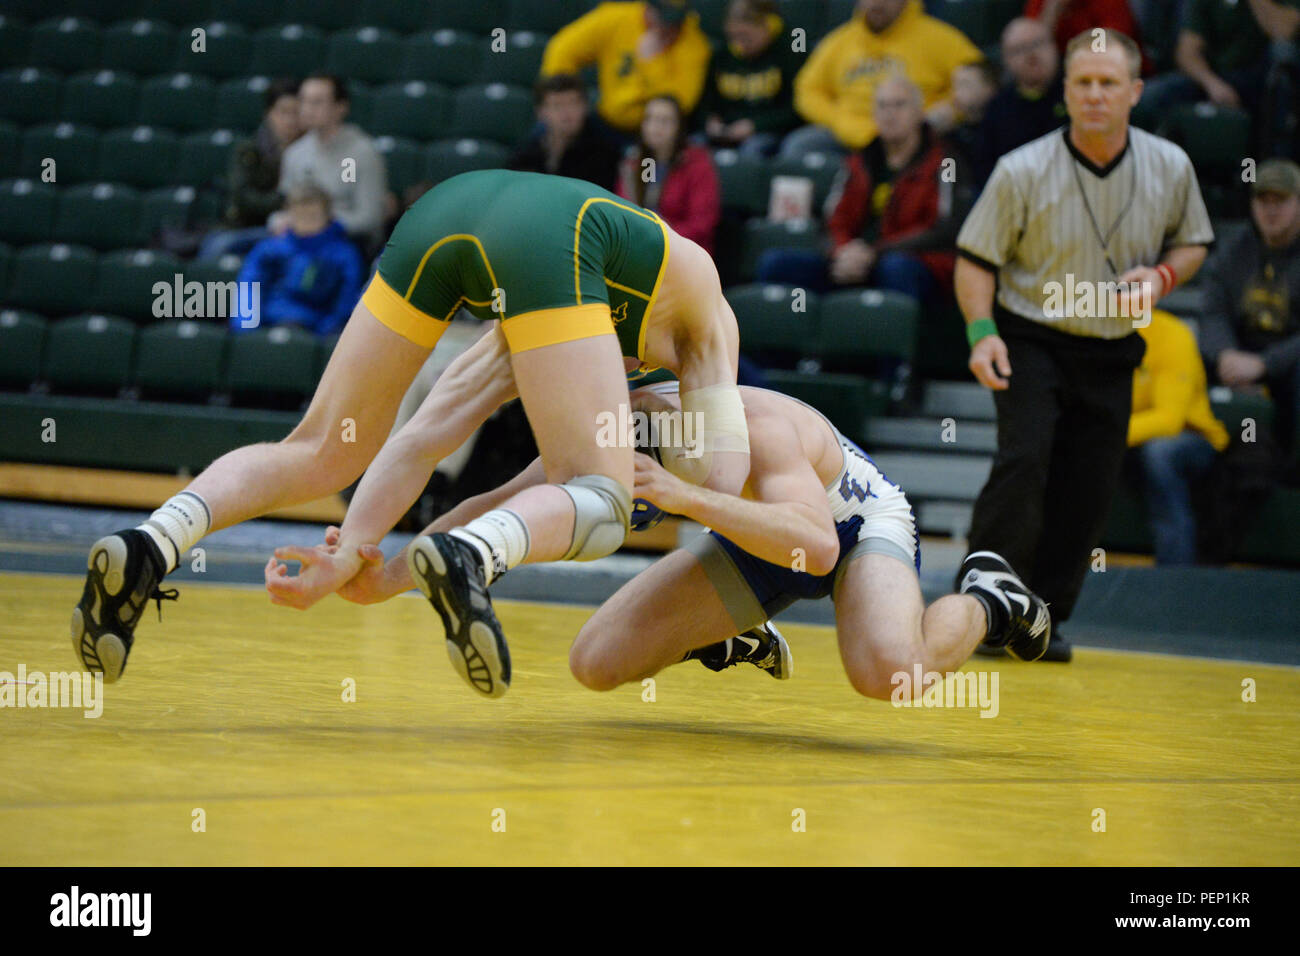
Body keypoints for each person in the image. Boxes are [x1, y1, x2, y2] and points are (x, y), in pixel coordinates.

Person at [71, 170, 751, 698]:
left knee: (323, 447)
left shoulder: (554, 313)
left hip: (448, 211)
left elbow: (424, 438)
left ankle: (154, 540)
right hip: (553, 233)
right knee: (600, 503)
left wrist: (355, 553)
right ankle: (474, 558)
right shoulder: (704, 316)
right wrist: (655, 476)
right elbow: (722, 492)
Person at [265, 381, 1053, 698]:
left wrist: (680, 494)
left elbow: (813, 548)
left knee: (890, 676)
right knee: (595, 665)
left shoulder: (756, 429)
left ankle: (990, 596)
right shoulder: (610, 425)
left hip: (848, 524)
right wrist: (375, 578)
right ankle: (733, 633)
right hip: (751, 537)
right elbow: (495, 503)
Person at [953, 29, 1213, 661]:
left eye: (1108, 83)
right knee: (1025, 461)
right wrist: (981, 333)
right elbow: (975, 259)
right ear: (1065, 92)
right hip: (1031, 334)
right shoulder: (1022, 168)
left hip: (1111, 344)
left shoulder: (1170, 165)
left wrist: (1162, 276)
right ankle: (985, 607)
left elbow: (1194, 241)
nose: (1096, 95)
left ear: (1135, 92)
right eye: (1084, 83)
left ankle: (1042, 619)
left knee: (1089, 485)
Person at [757, 73, 971, 309]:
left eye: (899, 105)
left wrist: (874, 253)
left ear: (920, 113)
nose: (890, 113)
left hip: (914, 263)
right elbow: (833, 222)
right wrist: (843, 253)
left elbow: (945, 229)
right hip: (855, 261)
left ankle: (901, 344)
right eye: (882, 106)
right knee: (776, 264)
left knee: (895, 268)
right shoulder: (858, 162)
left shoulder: (945, 162)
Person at [1198, 158, 1300, 478]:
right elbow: (1212, 311)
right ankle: (1202, 457)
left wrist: (1266, 364)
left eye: (1280, 201)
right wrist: (1226, 354)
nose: (1270, 210)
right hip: (1238, 355)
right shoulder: (1233, 249)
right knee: (1187, 359)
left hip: (1288, 364)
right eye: (1262, 200)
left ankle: (1291, 476)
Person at [780, 0, 982, 160]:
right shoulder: (839, 41)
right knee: (800, 145)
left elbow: (980, 80)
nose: (877, 4)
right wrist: (839, 120)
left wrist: (946, 111)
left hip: (913, 138)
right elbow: (807, 89)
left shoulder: (939, 38)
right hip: (851, 137)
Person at [1127, 309, 1229, 564]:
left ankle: (1175, 573)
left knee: (1160, 452)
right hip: (1129, 439)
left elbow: (1169, 420)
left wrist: (1107, 435)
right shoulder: (1091, 332)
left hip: (1193, 439)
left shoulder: (1171, 334)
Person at [1140, 0, 1299, 157]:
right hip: (1213, 77)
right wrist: (1213, 84)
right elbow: (1187, 51)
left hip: (1263, 81)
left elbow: (1283, 31)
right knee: (1146, 98)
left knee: (1282, 63)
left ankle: (1274, 168)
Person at [540, 0, 712, 139]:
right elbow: (562, 50)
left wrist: (651, 62)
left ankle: (648, 180)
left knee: (648, 173)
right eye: (663, 19)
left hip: (650, 136)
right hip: (604, 123)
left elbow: (680, 102)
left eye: (675, 22)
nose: (669, 28)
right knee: (549, 140)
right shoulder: (618, 18)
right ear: (649, 8)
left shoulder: (695, 44)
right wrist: (565, 101)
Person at [230, 185, 365, 338]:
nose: (305, 223)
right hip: (268, 325)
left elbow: (346, 302)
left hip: (315, 332)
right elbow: (249, 286)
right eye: (299, 216)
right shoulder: (270, 249)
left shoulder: (344, 255)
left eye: (312, 216)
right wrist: (245, 330)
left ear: (328, 216)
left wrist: (325, 333)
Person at [278, 74, 389, 255]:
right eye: (304, 101)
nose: (307, 109)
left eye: (317, 102)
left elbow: (370, 218)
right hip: (299, 240)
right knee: (226, 244)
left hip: (346, 242)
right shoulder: (295, 153)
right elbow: (287, 206)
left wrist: (321, 224)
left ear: (340, 107)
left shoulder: (360, 152)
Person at [197, 78, 301, 261]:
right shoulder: (248, 149)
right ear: (269, 113)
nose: (290, 120)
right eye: (283, 112)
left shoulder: (310, 151)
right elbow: (242, 197)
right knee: (217, 245)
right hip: (247, 226)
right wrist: (282, 200)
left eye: (296, 113)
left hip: (294, 228)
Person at [616, 95, 721, 254]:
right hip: (642, 251)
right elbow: (631, 209)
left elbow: (702, 223)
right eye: (649, 119)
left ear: (679, 127)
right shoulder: (644, 163)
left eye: (664, 121)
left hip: (685, 254)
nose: (655, 127)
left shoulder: (695, 163)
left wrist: (662, 235)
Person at [698, 0, 802, 158]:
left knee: (751, 151)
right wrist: (710, 120)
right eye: (733, 36)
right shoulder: (723, 54)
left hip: (769, 132)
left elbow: (797, 109)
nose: (739, 43)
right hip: (726, 132)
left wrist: (756, 126)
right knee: (694, 147)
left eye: (745, 36)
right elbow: (706, 102)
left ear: (766, 26)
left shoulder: (791, 49)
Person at [973, 18, 1067, 186]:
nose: (1032, 55)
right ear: (1006, 60)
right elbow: (985, 170)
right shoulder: (998, 108)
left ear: (1053, 45)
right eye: (1019, 50)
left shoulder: (1084, 90)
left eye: (1037, 43)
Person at [508, 73, 622, 191]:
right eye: (557, 106)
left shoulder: (604, 153)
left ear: (585, 107)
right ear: (541, 112)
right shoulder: (526, 153)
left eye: (573, 104)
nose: (566, 114)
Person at [1023, 0, 1151, 73]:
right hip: (1060, 74)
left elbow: (1113, 44)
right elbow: (1032, 48)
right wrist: (1052, 12)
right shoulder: (1042, 3)